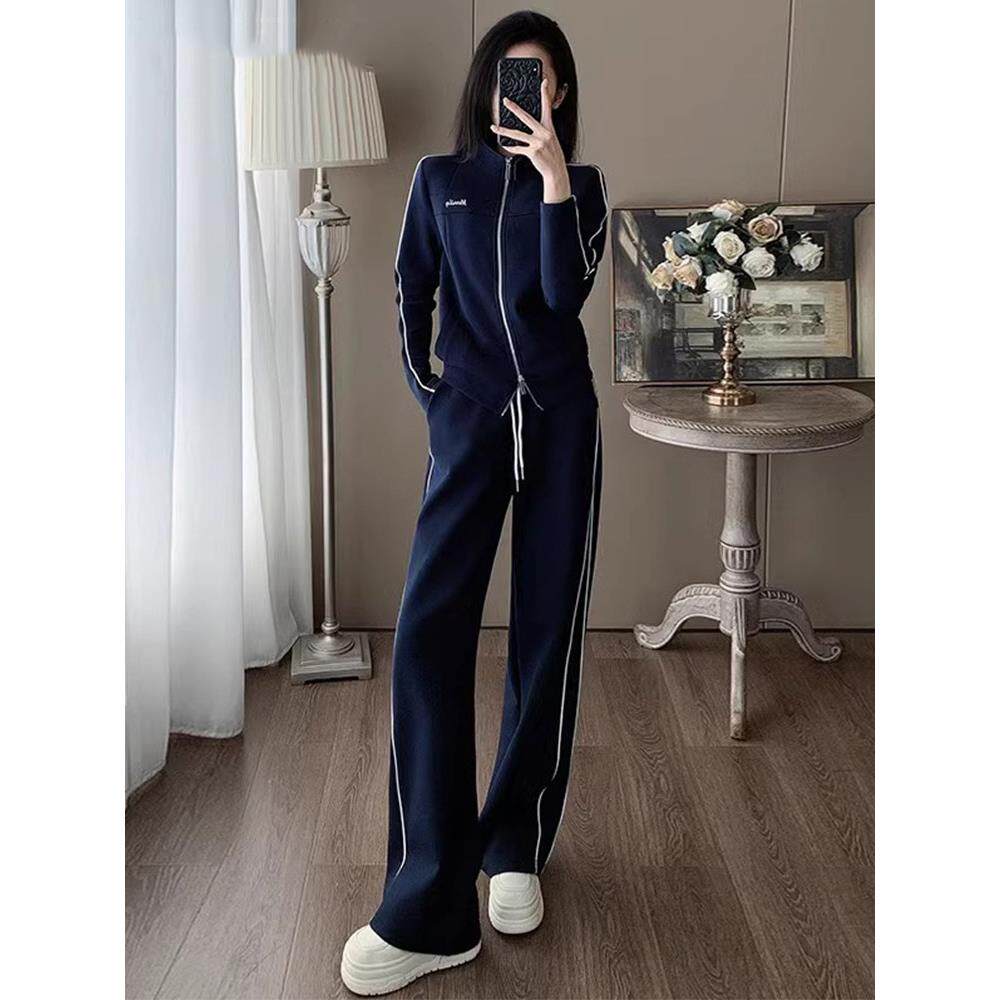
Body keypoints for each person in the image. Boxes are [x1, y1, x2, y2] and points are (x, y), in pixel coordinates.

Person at [340, 10, 608, 995]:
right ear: (485, 83)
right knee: (427, 637)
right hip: (472, 425)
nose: (523, 91)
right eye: (508, 74)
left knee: (547, 638)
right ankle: (427, 905)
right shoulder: (437, 180)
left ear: (561, 94)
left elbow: (559, 296)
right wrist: (436, 402)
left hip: (562, 425)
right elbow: (409, 291)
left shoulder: (582, 189)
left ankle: (516, 846)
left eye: (540, 77)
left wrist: (550, 178)